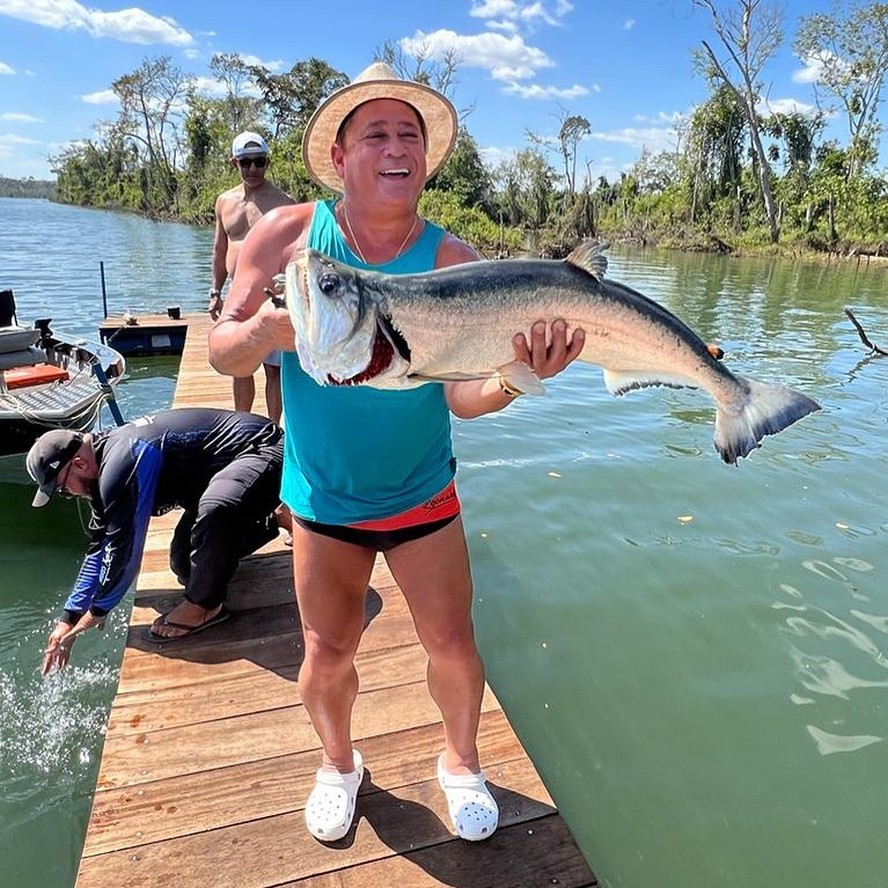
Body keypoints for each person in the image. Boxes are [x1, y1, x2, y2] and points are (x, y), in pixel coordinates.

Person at [208, 62, 585, 843]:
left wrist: (518, 378)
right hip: (322, 499)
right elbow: (221, 354)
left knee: (453, 643)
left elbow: (462, 399)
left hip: (422, 495)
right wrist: (266, 333)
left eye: (408, 134)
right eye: (374, 132)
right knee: (325, 650)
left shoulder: (456, 261)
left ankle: (461, 764)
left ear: (426, 158)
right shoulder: (284, 236)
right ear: (338, 157)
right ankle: (338, 767)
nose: (394, 147)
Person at [27, 409, 286, 674]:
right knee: (185, 563)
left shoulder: (122, 462)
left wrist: (96, 613)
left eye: (63, 489)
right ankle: (270, 519)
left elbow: (125, 554)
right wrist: (68, 618)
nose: (69, 494)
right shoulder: (103, 470)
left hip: (266, 451)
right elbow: (99, 549)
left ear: (80, 464)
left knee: (216, 509)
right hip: (227, 474)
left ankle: (205, 608)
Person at [207, 131, 295, 424]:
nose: (254, 169)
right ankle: (240, 427)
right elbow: (220, 249)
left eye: (260, 162)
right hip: (236, 292)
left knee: (274, 369)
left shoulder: (284, 202)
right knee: (239, 365)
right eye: (246, 163)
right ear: (235, 163)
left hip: (270, 292)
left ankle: (272, 429)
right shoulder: (224, 202)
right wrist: (215, 291)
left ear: (268, 162)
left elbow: (294, 255)